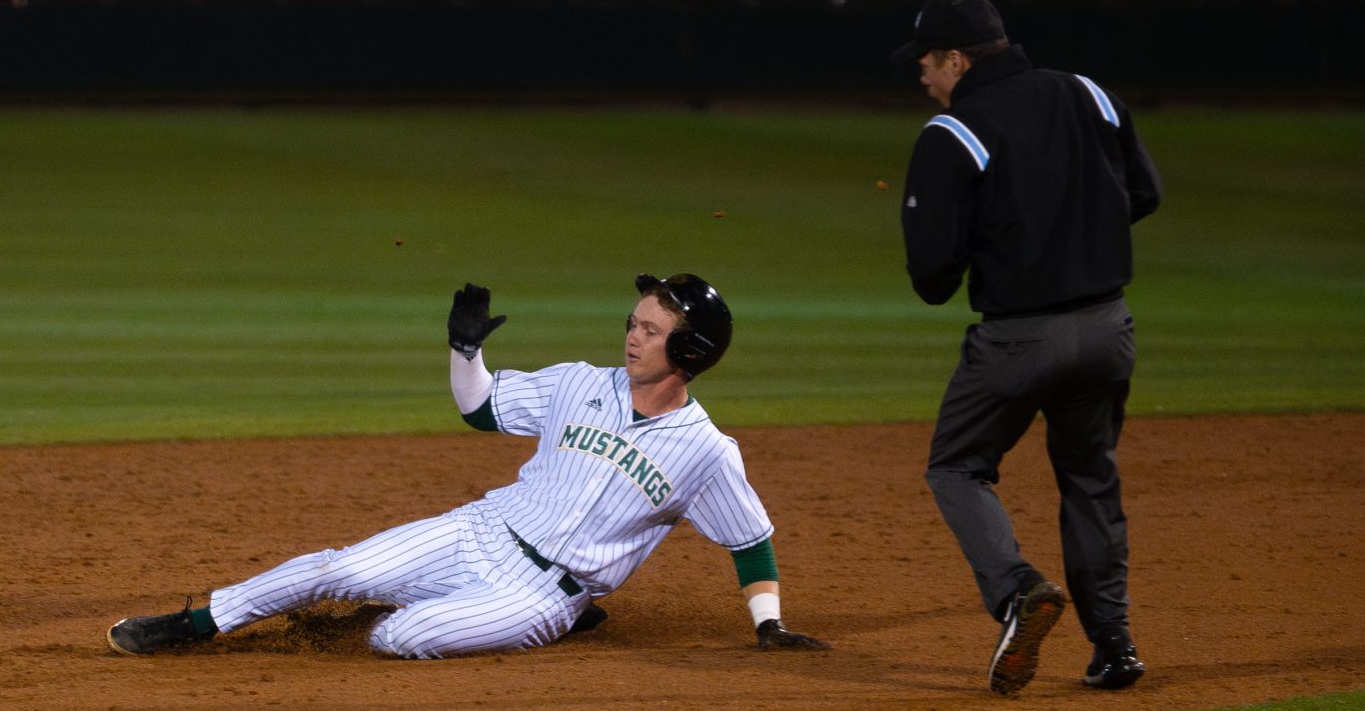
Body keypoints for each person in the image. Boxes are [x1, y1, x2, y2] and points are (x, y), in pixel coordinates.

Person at [107, 275, 828, 660]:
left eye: (650, 329)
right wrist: (463, 351)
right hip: (479, 528)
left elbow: (748, 538)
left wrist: (768, 625)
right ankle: (199, 621)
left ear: (690, 352)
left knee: (400, 637)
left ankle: (563, 621)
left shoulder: (706, 449)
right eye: (633, 322)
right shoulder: (581, 380)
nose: (632, 336)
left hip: (544, 595)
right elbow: (482, 409)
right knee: (339, 568)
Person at [893, 0, 1162, 695]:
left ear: (956, 59)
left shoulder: (952, 131)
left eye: (925, 62)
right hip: (1109, 327)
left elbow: (932, 276)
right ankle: (1115, 644)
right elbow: (1144, 193)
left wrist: (1003, 246)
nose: (921, 77)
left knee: (956, 464)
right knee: (1089, 476)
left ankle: (1018, 592)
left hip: (1019, 338)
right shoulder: (1090, 94)